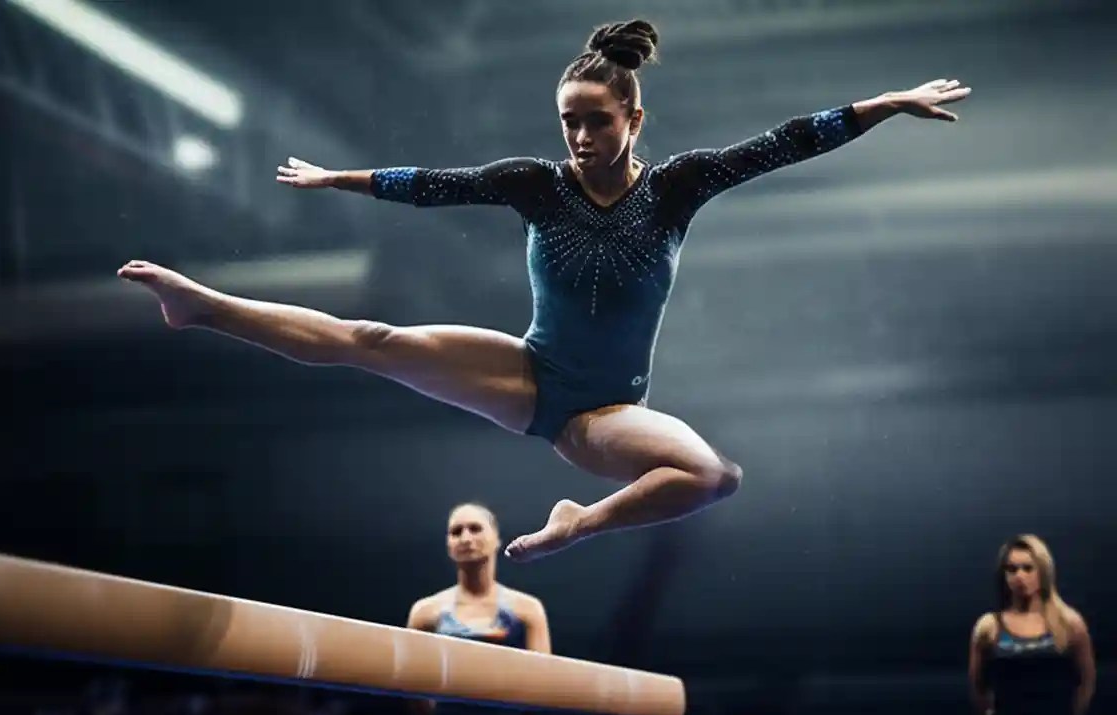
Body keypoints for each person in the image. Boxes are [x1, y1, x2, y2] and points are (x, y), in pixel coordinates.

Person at [118, 19, 972, 562]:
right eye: (570, 120)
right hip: (530, 371)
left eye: (598, 120)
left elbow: (782, 143)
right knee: (370, 341)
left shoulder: (677, 186)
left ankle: (577, 522)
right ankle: (202, 306)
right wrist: (339, 179)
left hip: (600, 412)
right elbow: (438, 185)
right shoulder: (536, 183)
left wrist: (886, 104)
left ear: (634, 120)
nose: (581, 135)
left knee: (713, 476)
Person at [406, 503, 549, 715]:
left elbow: (543, 687)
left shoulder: (527, 609)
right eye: (456, 532)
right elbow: (412, 689)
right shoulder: (425, 612)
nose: (465, 538)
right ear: (448, 544)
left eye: (475, 528)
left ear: (496, 539)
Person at [968, 534, 1096, 715]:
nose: (1020, 576)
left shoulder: (1069, 622)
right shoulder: (989, 627)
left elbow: (1087, 680)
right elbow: (977, 685)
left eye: (1028, 568)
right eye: (1012, 569)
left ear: (1042, 571)